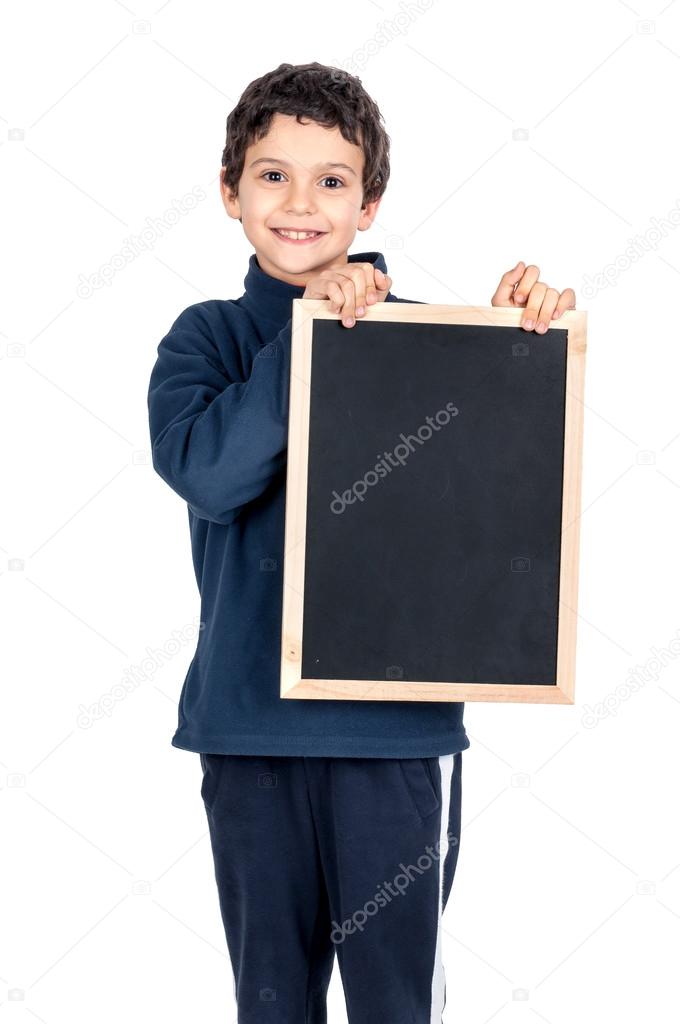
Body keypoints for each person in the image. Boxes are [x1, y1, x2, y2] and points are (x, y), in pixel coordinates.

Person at [147, 61, 576, 1024]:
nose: (301, 204)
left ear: (368, 206)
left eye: (332, 181)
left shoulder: (427, 341)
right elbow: (212, 475)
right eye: (272, 175)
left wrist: (521, 335)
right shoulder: (206, 340)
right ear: (229, 192)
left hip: (394, 734)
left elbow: (500, 498)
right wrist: (308, 333)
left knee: (396, 1003)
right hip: (250, 730)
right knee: (271, 1000)